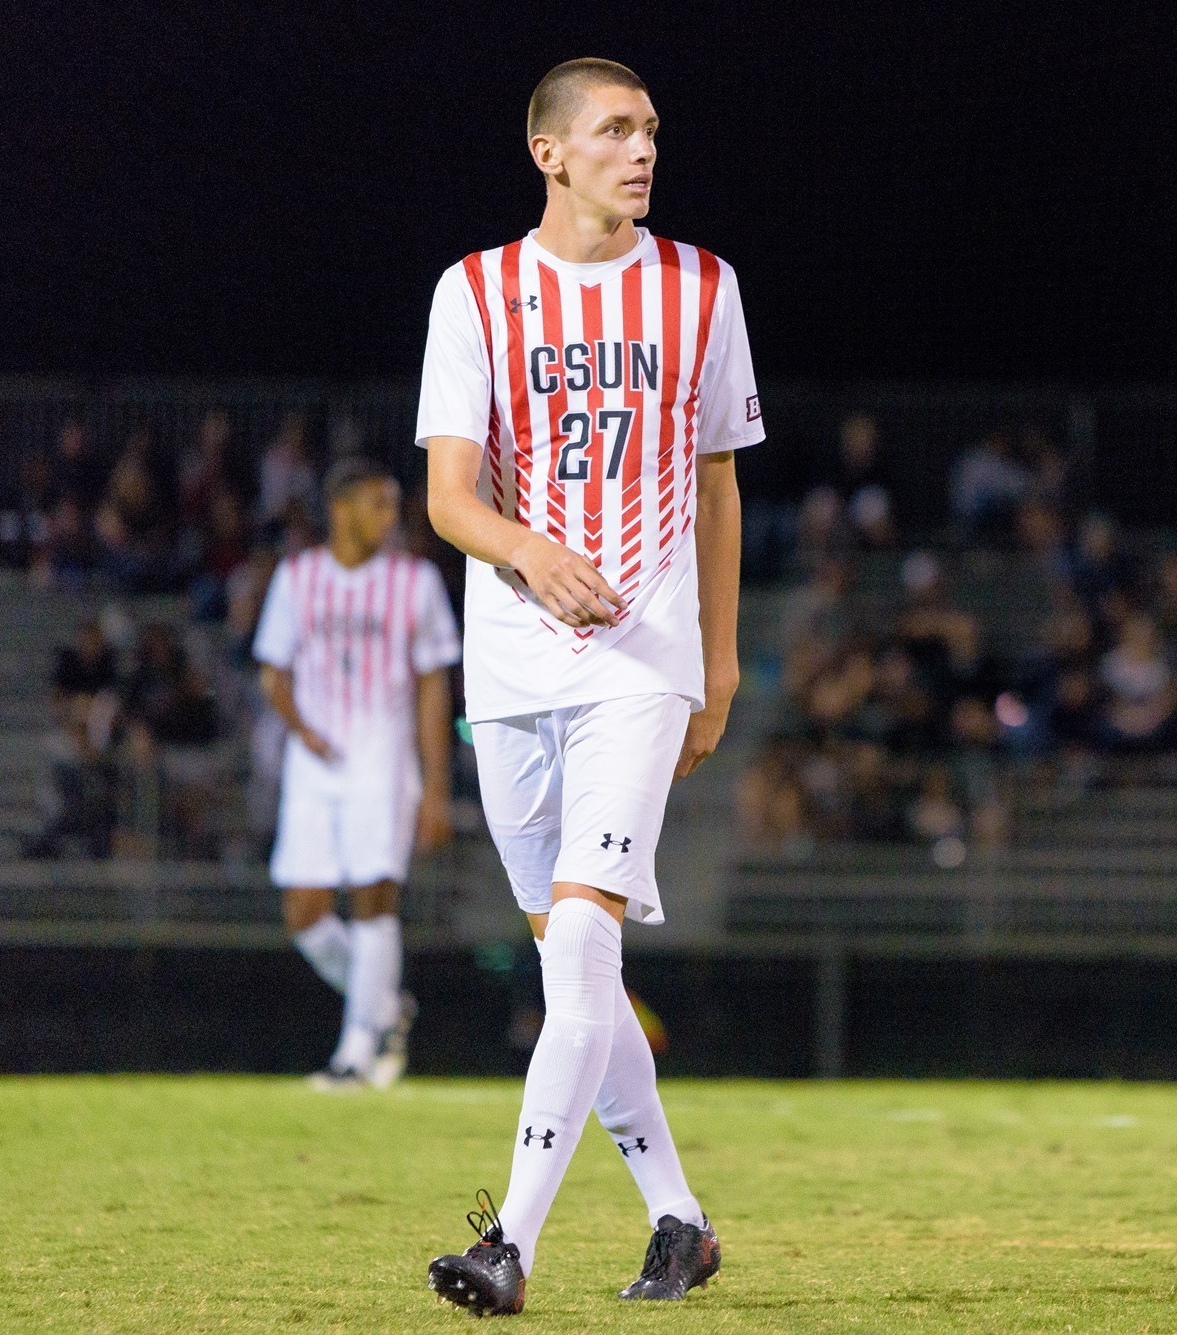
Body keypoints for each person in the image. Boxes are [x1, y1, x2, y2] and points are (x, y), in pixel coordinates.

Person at [417, 59, 762, 1313]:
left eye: (652, 131)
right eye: (615, 130)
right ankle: (679, 1216)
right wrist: (527, 550)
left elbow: (718, 488)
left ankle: (508, 1241)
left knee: (580, 940)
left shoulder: (702, 287)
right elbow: (452, 498)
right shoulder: (476, 292)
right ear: (548, 153)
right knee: (577, 967)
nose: (642, 149)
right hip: (508, 669)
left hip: (641, 660)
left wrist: (713, 664)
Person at [252, 456, 459, 1090]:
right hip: (315, 766)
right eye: (377, 504)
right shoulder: (298, 578)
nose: (390, 517)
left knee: (374, 898)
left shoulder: (415, 582)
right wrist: (302, 726)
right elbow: (272, 671)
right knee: (304, 913)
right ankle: (385, 1006)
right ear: (341, 509)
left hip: (382, 758)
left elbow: (433, 687)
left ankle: (356, 1051)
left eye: (394, 505)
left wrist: (436, 790)